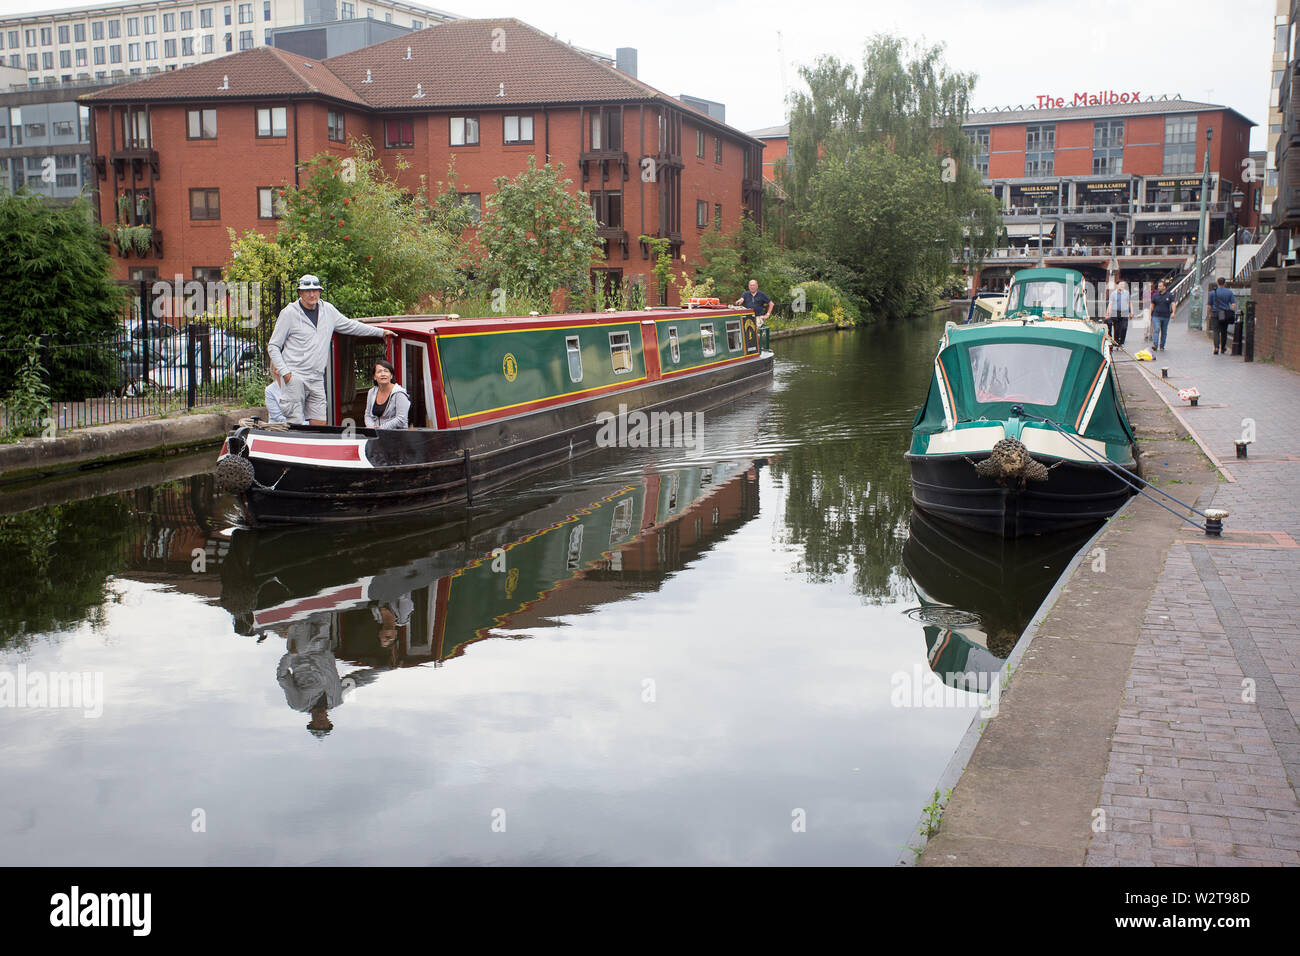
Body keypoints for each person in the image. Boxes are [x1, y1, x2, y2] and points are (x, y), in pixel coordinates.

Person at [267, 274, 394, 426]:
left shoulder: (328, 310)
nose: (312, 294)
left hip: (316, 376)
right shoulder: (289, 313)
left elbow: (351, 326)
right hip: (295, 375)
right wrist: (286, 374)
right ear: (300, 293)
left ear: (320, 291)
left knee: (320, 422)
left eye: (315, 290)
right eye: (307, 291)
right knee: (294, 423)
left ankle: (316, 442)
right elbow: (273, 346)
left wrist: (380, 332)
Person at [364, 359, 411, 430]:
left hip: (397, 434)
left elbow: (401, 419)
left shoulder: (399, 393)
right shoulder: (371, 392)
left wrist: (381, 428)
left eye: (386, 371)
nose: (383, 374)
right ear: (374, 377)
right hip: (376, 433)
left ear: (391, 376)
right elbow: (367, 415)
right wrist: (371, 427)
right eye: (379, 371)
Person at [1208, 277, 1237, 355]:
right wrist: (1232, 312)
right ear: (1225, 283)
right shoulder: (1229, 292)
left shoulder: (1212, 293)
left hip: (1215, 313)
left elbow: (1209, 306)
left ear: (1217, 283)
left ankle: (1216, 347)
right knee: (1224, 331)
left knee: (1216, 331)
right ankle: (1223, 348)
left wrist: (1210, 313)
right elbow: (1233, 305)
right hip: (1225, 314)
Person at [1149, 280, 1174, 352]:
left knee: (1164, 331)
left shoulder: (1169, 295)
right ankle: (1155, 345)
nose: (1158, 287)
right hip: (1156, 315)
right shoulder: (1155, 295)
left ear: (1164, 287)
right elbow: (1152, 305)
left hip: (1166, 316)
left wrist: (1173, 312)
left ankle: (1162, 345)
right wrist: (1150, 314)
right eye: (1158, 286)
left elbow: (1173, 303)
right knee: (1156, 329)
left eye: (1160, 286)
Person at [1104, 279, 1131, 345]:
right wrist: (1108, 313)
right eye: (1121, 284)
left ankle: (1121, 342)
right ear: (1117, 285)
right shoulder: (1113, 294)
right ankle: (1116, 342)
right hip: (1115, 312)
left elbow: (1129, 303)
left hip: (1124, 312)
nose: (1122, 286)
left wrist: (1130, 312)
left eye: (1123, 285)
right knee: (1117, 328)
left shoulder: (1127, 293)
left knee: (1124, 327)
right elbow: (1110, 304)